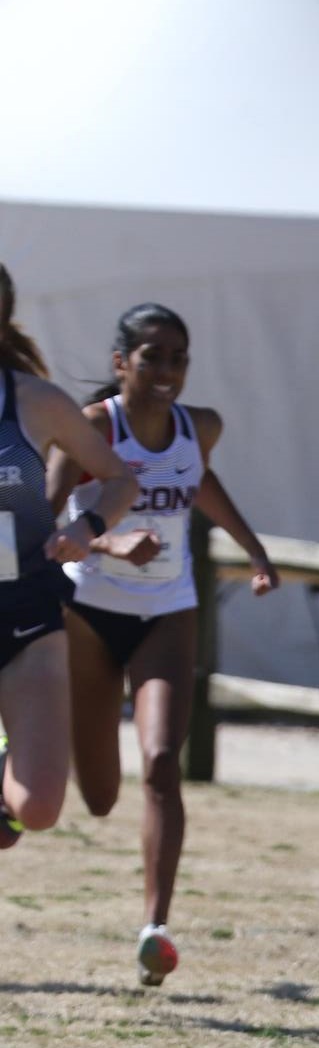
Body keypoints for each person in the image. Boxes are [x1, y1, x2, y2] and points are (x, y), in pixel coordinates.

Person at [47, 303, 279, 985]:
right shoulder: (92, 428)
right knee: (96, 796)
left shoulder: (198, 427)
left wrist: (255, 550)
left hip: (167, 611)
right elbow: (53, 522)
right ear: (122, 363)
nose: (167, 370)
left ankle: (156, 927)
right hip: (89, 612)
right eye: (152, 356)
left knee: (159, 761)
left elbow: (198, 479)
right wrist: (112, 540)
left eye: (178, 357)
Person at [0, 265, 137, 853]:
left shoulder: (35, 402)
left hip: (25, 612)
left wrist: (88, 526)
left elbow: (118, 478)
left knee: (39, 809)